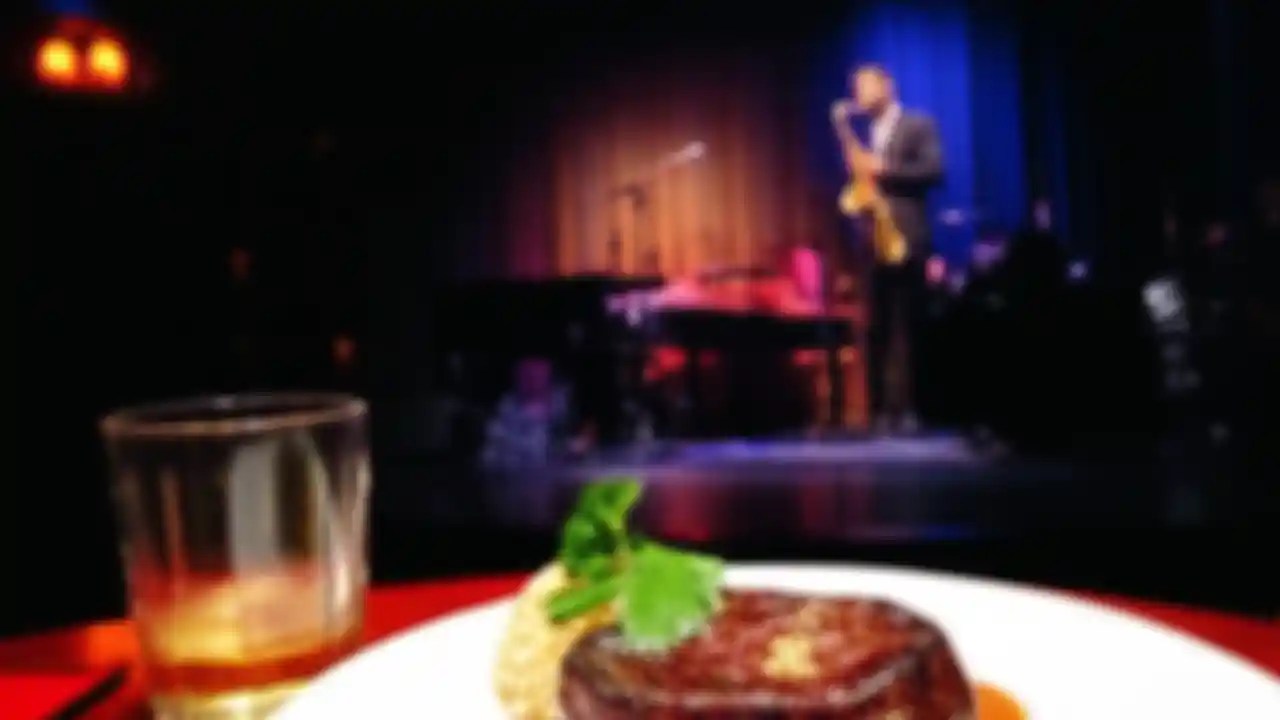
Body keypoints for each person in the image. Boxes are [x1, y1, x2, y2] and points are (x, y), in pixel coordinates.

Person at [831, 64, 945, 434]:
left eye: (865, 86)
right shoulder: (865, 132)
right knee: (876, 327)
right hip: (873, 241)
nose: (858, 95)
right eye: (856, 88)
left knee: (911, 325)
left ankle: (914, 409)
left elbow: (934, 171)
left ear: (887, 86)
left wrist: (884, 169)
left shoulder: (918, 124)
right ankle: (880, 411)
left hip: (907, 236)